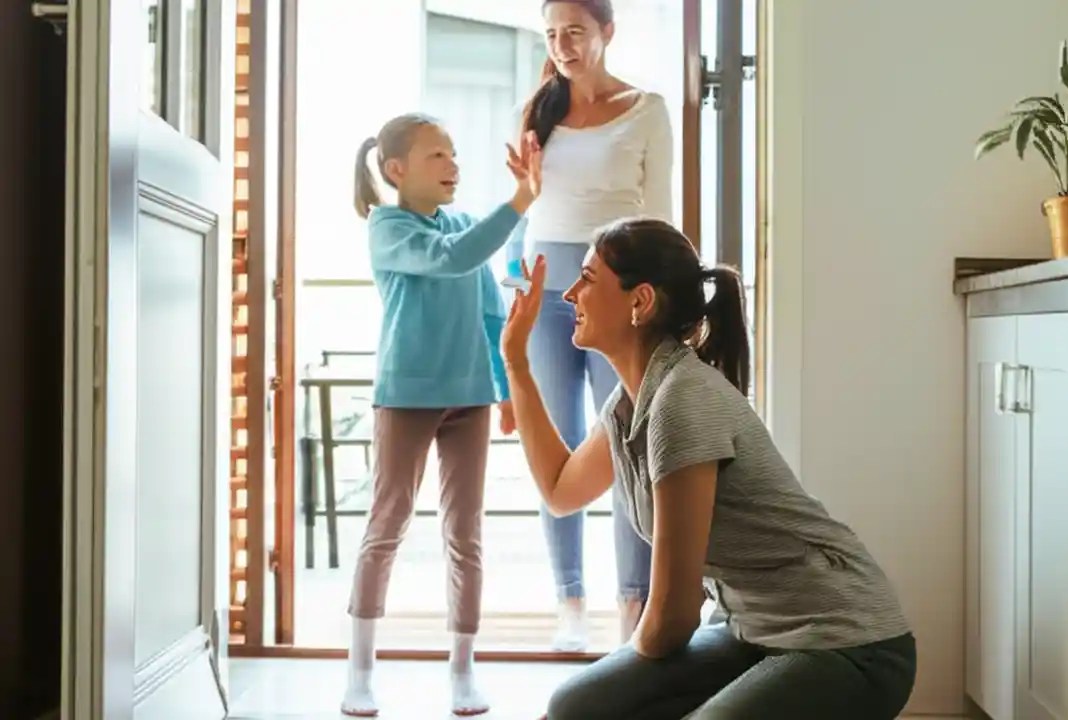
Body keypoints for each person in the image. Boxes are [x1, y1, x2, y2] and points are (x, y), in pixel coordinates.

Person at [499, 219, 917, 719]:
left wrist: (633, 677)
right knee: (574, 707)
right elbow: (561, 490)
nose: (569, 294)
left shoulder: (683, 401)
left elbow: (673, 618)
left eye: (587, 278)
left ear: (640, 301)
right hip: (752, 631)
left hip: (847, 641)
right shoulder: (630, 403)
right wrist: (516, 363)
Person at [340, 112, 541, 718]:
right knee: (388, 522)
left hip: (470, 396)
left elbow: (487, 313)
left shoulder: (462, 223)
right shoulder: (387, 226)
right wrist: (520, 201)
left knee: (465, 534)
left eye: (454, 154)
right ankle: (360, 671)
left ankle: (462, 671)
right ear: (397, 169)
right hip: (406, 396)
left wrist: (505, 389)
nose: (453, 165)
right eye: (438, 156)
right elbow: (452, 258)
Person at [511, 0, 673, 652]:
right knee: (558, 443)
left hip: (614, 297)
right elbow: (525, 206)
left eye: (574, 32)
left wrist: (658, 305)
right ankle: (568, 598)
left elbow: (660, 216)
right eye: (551, 34)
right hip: (544, 290)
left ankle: (633, 607)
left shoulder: (647, 110)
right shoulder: (538, 113)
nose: (562, 45)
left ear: (607, 32)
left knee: (627, 448)